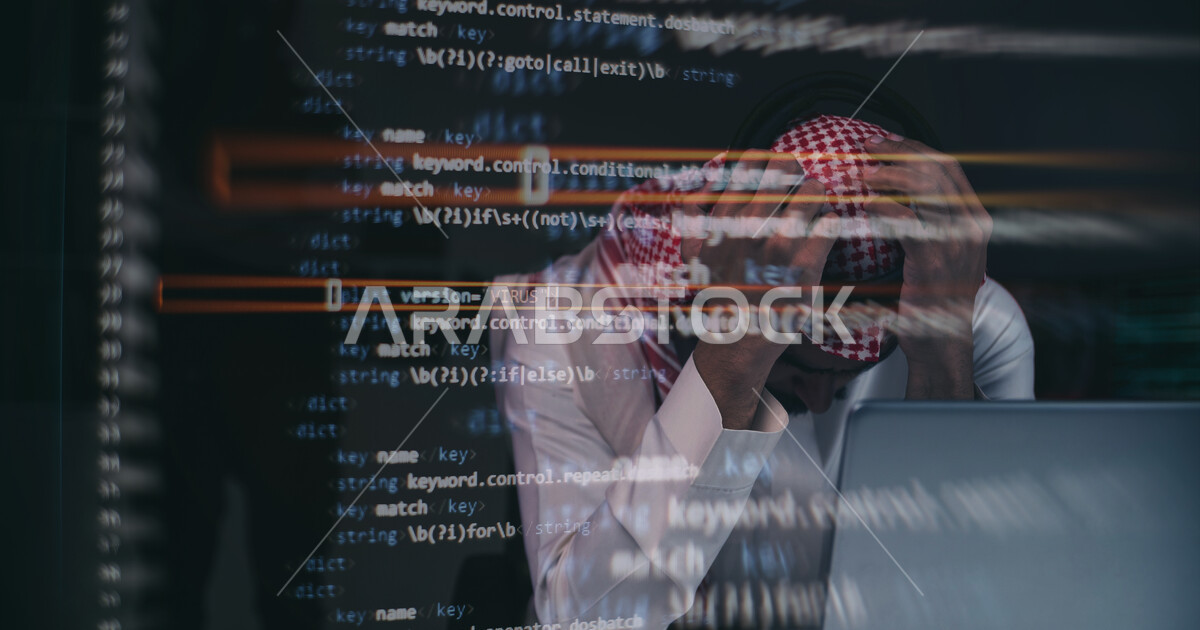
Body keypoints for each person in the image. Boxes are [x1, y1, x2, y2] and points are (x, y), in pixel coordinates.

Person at [489, 114, 1034, 629]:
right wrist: (734, 355)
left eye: (850, 373)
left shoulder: (971, 330)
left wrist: (941, 369)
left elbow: (987, 599)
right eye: (796, 365)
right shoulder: (561, 332)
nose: (818, 402)